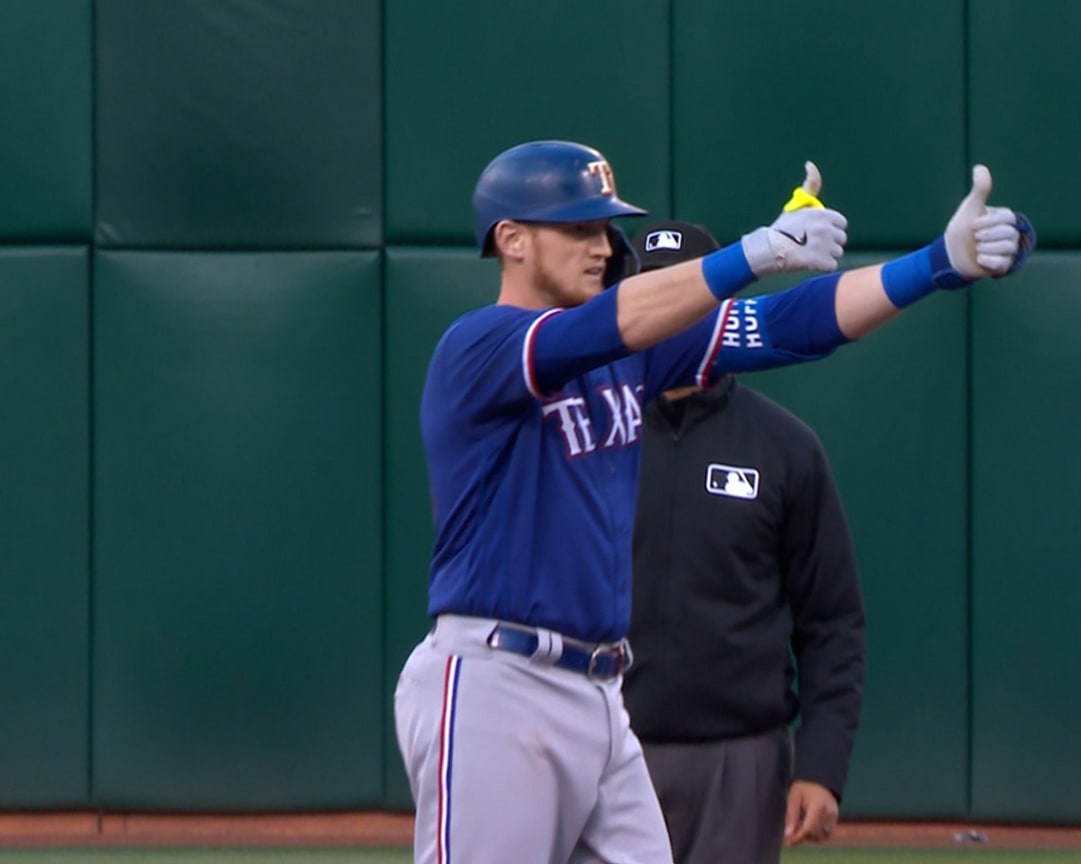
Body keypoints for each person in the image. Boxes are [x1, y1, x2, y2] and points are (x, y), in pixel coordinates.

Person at [394, 138, 1034, 864]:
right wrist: (750, 255)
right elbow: (610, 322)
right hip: (498, 685)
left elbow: (794, 324)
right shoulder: (476, 347)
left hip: (602, 694)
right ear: (510, 240)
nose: (601, 245)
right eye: (576, 228)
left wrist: (934, 267)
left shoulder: (630, 355)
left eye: (604, 227)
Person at [622, 219, 863, 864]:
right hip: (602, 744)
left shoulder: (784, 447)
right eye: (654, 292)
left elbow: (832, 621)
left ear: (720, 309)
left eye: (685, 292)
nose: (669, 312)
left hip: (739, 762)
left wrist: (821, 762)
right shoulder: (589, 434)